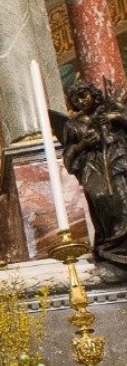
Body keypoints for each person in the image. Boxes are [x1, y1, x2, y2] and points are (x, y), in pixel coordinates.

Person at [61, 81, 127, 268]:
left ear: (92, 94)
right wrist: (83, 145)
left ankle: (121, 248)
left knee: (123, 198)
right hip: (92, 167)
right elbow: (68, 154)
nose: (81, 101)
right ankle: (110, 244)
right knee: (102, 198)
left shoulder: (111, 110)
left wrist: (117, 117)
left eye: (83, 96)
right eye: (76, 99)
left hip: (117, 160)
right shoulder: (73, 125)